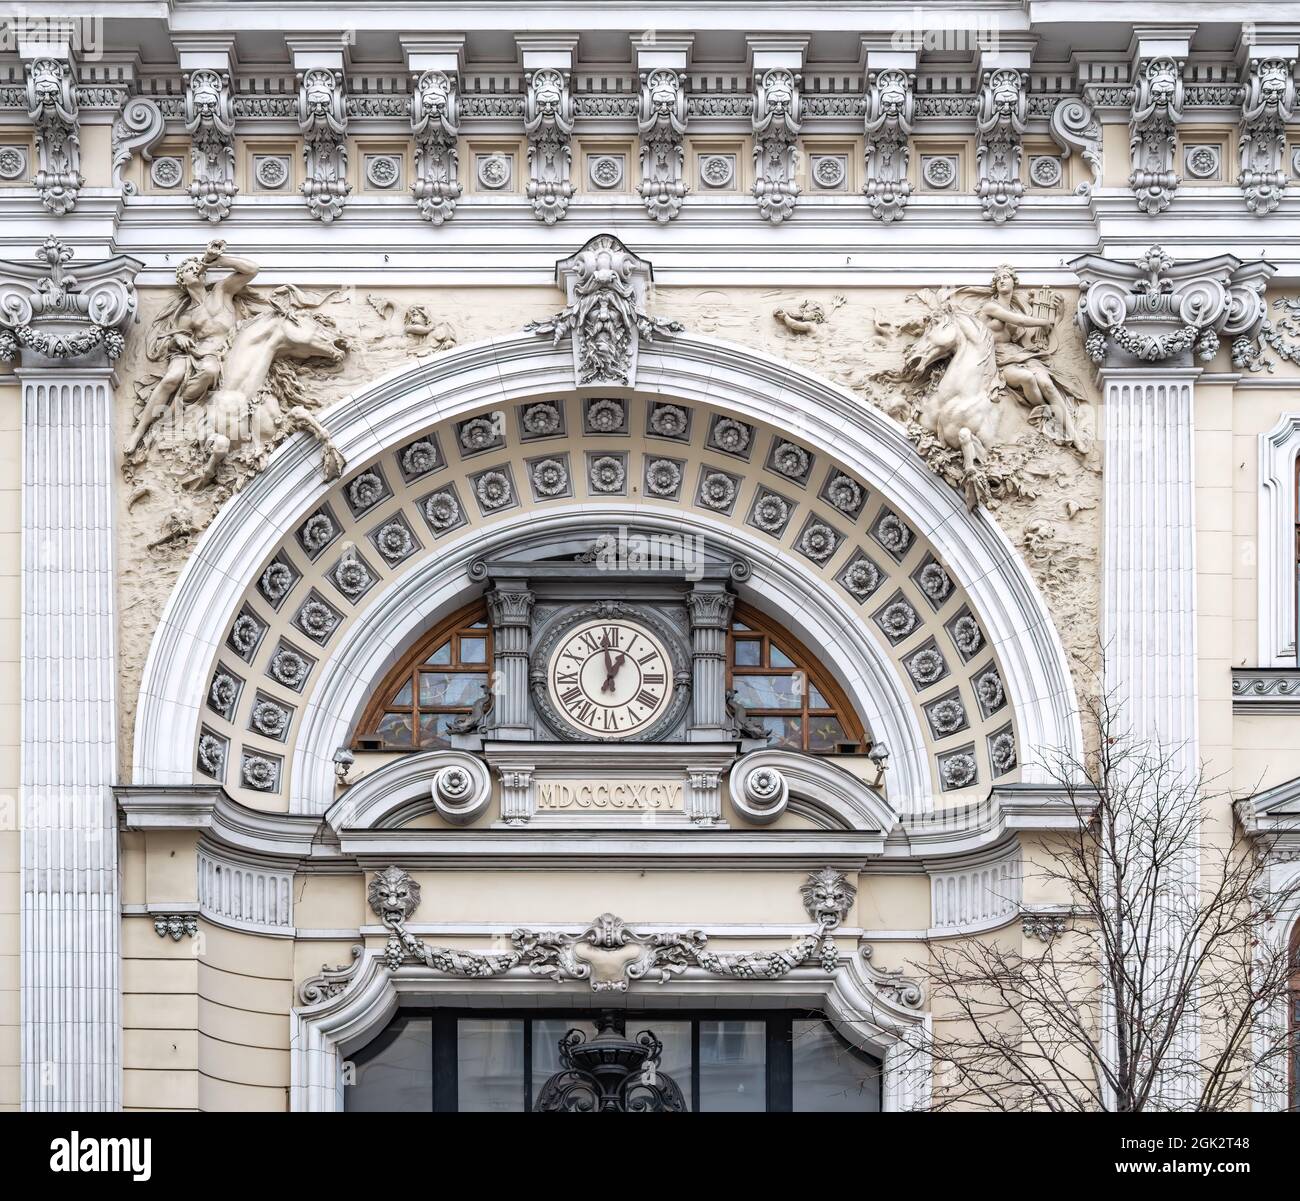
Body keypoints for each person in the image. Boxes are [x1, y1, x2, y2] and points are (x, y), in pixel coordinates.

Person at [124, 239, 259, 456]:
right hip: (198, 354)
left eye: (196, 266)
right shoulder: (187, 316)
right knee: (171, 378)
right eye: (187, 269)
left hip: (224, 354)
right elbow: (168, 341)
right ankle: (140, 431)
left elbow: (252, 269)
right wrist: (177, 338)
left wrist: (217, 261)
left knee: (211, 369)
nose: (194, 269)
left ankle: (181, 410)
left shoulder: (222, 291)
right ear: (182, 280)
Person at [973, 265, 1088, 452]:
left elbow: (1033, 341)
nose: (1002, 280)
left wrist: (1057, 317)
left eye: (1006, 277)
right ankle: (1047, 414)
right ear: (995, 285)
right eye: (999, 278)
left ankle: (1074, 436)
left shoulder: (1016, 311)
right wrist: (1043, 321)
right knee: (1027, 378)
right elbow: (1020, 321)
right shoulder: (991, 306)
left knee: (1047, 383)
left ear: (1013, 282)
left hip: (1019, 355)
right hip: (998, 359)